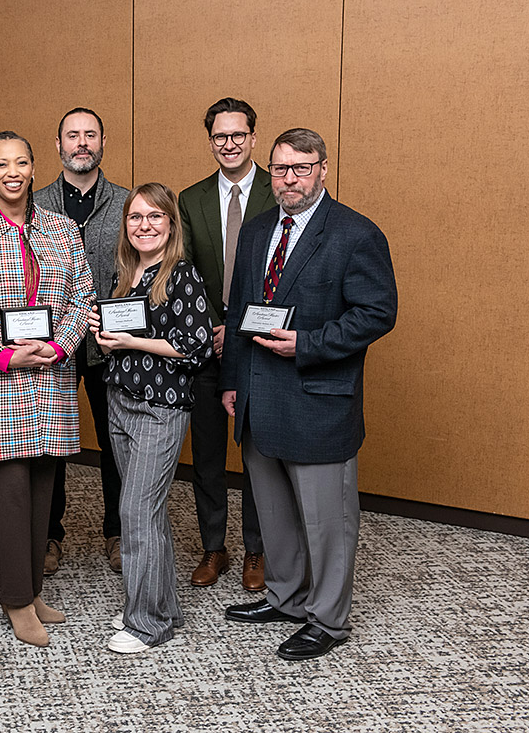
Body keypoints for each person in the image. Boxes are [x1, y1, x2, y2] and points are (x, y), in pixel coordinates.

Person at [221, 128, 397, 660]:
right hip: (257, 395)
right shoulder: (256, 231)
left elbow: (377, 313)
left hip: (318, 397)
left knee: (327, 523)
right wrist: (231, 380)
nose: (289, 178)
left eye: (301, 168)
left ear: (322, 169)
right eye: (280, 168)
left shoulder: (355, 233)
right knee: (274, 515)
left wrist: (308, 343)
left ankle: (328, 620)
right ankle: (286, 598)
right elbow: (239, 310)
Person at [0, 131, 94, 647]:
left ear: (33, 168)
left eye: (21, 162)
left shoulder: (62, 229)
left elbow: (83, 296)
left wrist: (60, 345)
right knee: (12, 492)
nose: (13, 172)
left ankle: (33, 589)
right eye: (1, 164)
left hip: (50, 374)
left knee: (43, 487)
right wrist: (3, 355)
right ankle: (15, 599)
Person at [88, 183, 215, 654]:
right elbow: (118, 336)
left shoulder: (180, 275)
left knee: (136, 512)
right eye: (135, 217)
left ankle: (147, 624)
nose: (144, 225)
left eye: (155, 216)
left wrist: (130, 342)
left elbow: (195, 346)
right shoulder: (126, 273)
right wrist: (104, 337)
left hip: (158, 409)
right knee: (148, 513)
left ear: (171, 224)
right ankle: (163, 608)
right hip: (120, 400)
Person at [179, 97, 277, 591]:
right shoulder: (190, 198)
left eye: (239, 134)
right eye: (220, 136)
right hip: (208, 343)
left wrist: (238, 329)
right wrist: (215, 327)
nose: (230, 144)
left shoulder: (278, 190)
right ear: (210, 141)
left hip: (260, 345)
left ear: (254, 138)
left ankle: (257, 549)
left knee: (258, 454)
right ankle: (213, 546)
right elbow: (185, 272)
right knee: (208, 455)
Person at [34, 107, 128, 576]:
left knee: (115, 441)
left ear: (103, 142)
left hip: (110, 344)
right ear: (58, 145)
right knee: (49, 441)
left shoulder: (128, 203)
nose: (82, 143)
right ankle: (49, 534)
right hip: (50, 344)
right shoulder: (33, 204)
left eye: (90, 134)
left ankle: (117, 532)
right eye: (73, 135)